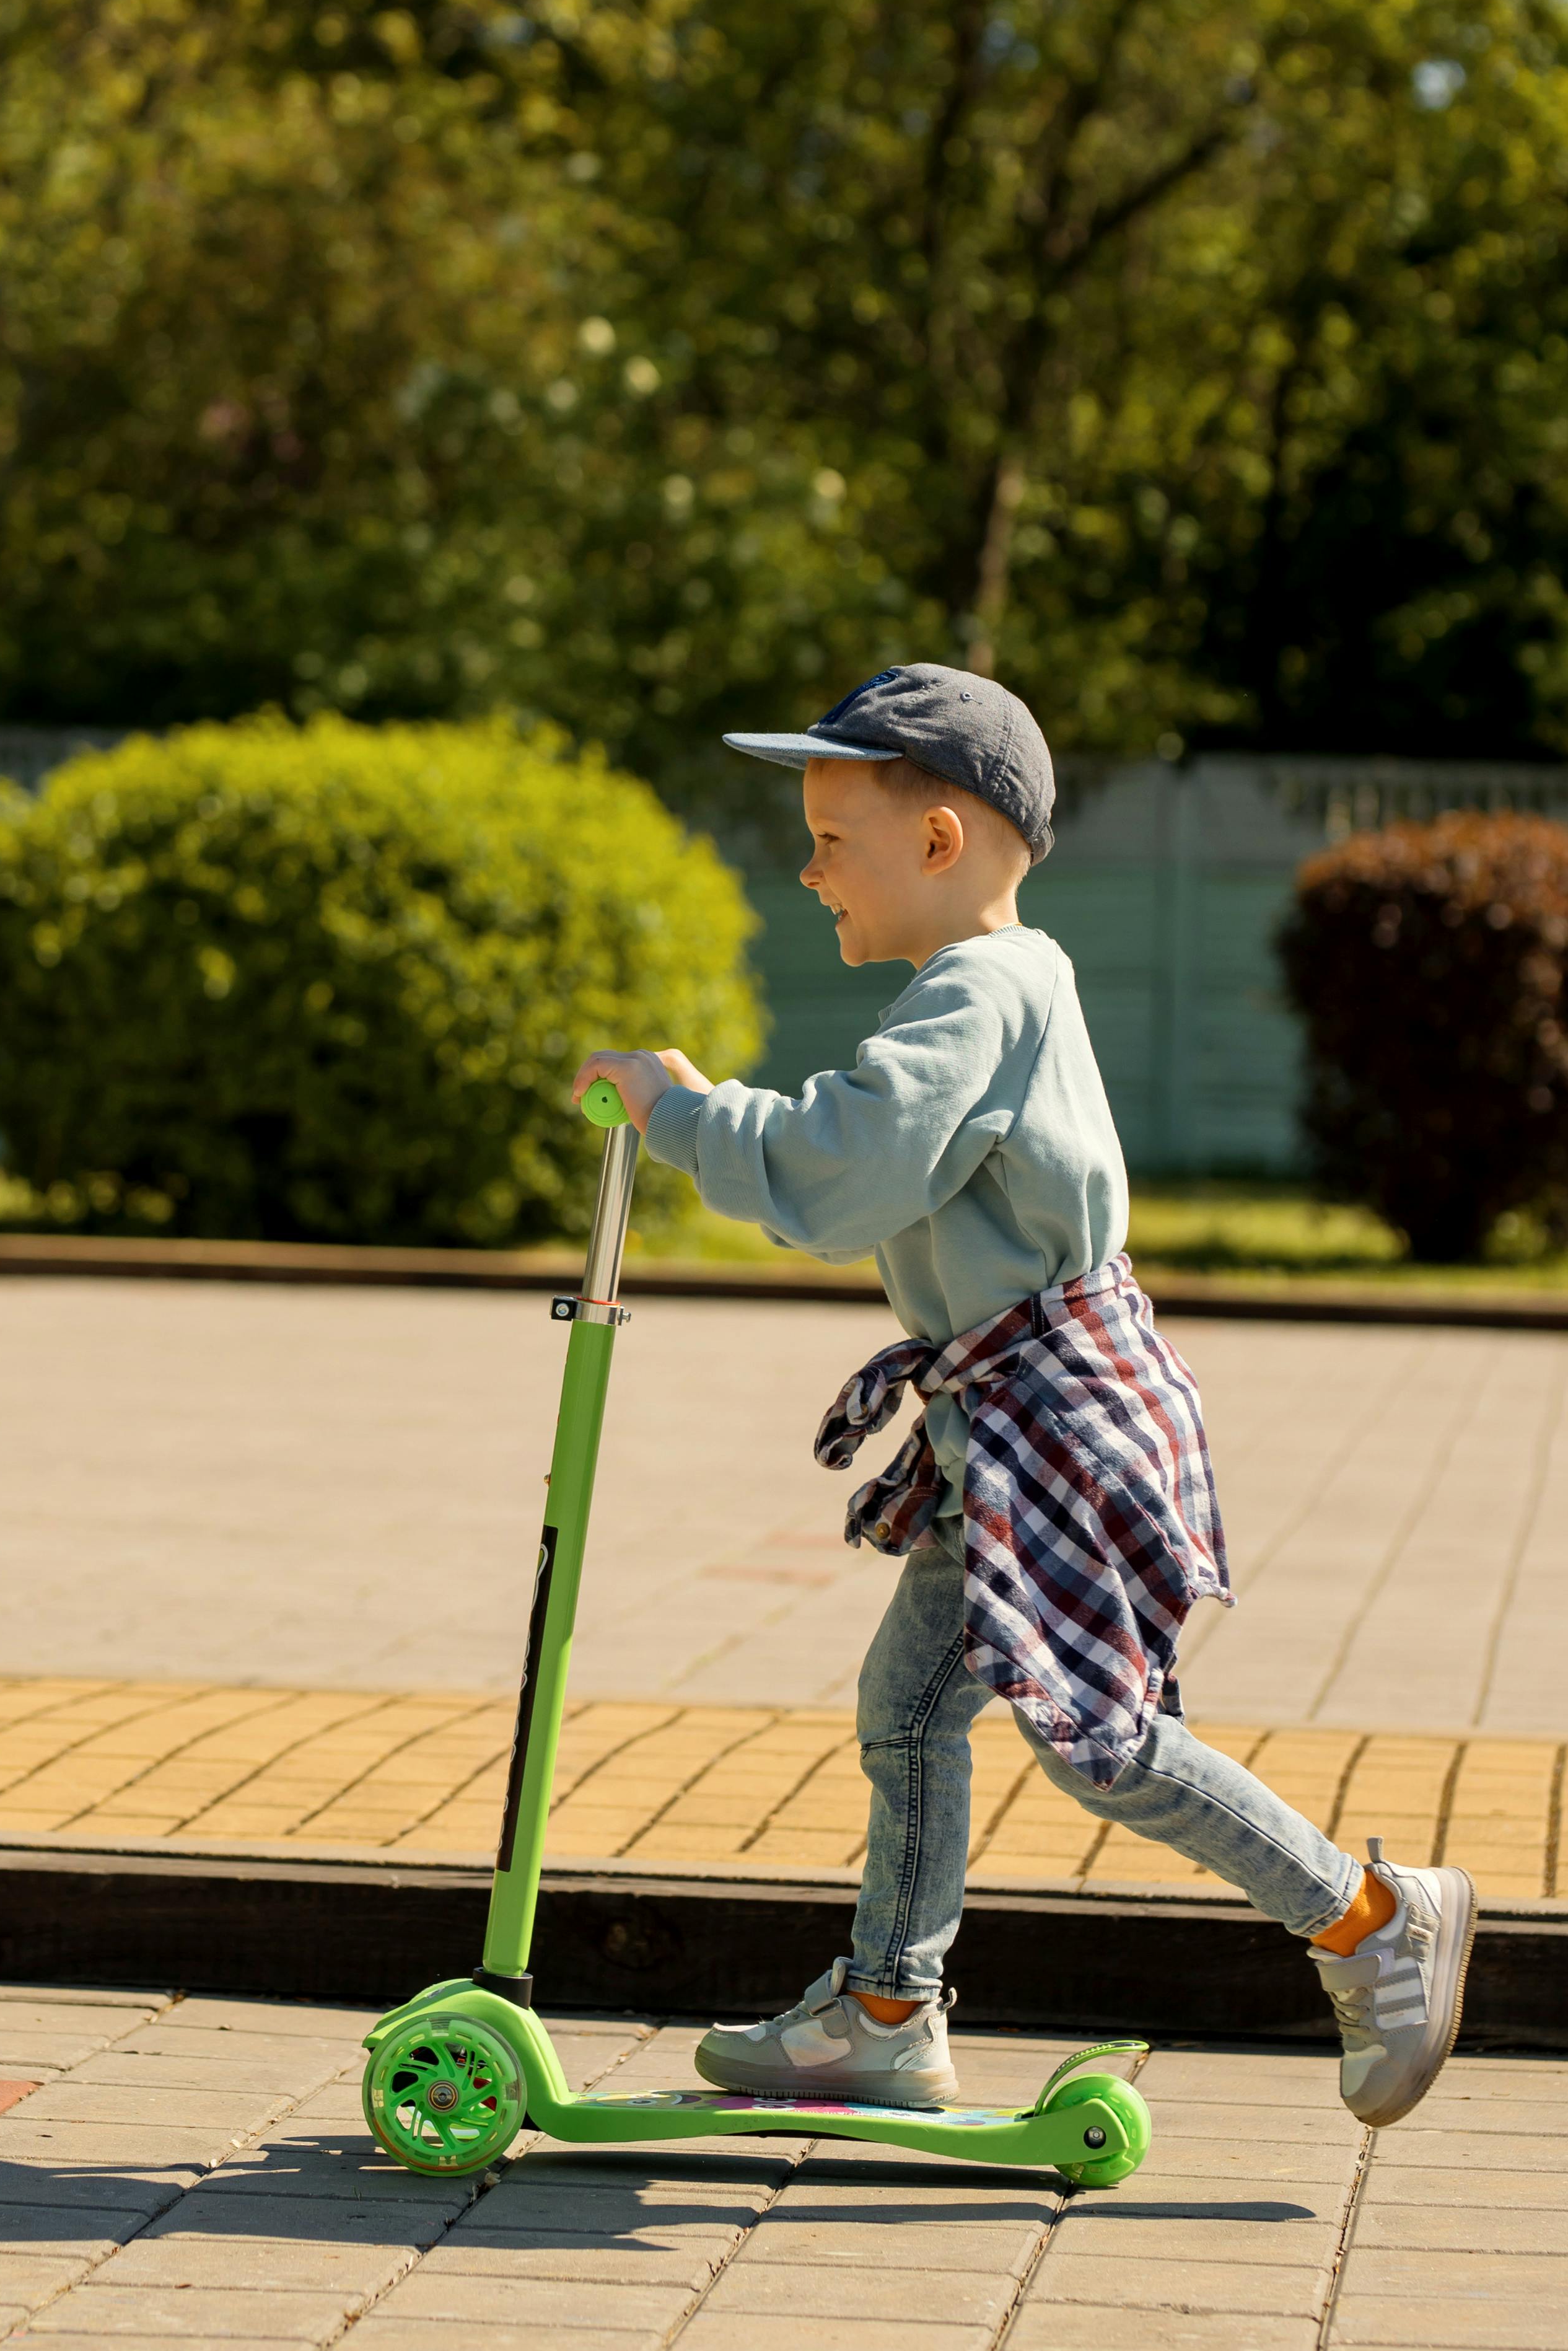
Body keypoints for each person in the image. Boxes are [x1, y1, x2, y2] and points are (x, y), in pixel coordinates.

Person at [572, 662, 1474, 2130]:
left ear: (938, 844)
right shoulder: (989, 985)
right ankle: (883, 2006)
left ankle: (1371, 1921)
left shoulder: (982, 987)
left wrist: (686, 1114)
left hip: (1047, 1412)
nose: (806, 873)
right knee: (913, 1703)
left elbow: (847, 1165)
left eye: (829, 841)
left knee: (1096, 1734)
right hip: (1009, 1406)